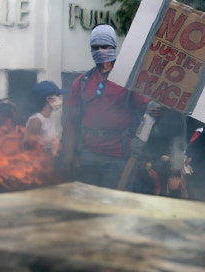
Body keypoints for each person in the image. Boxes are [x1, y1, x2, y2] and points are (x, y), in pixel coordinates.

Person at [63, 24, 163, 190]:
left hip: (119, 158)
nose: (100, 51)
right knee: (87, 207)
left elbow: (148, 111)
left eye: (105, 46)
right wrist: (69, 153)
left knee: (113, 208)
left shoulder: (130, 80)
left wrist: (157, 111)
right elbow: (71, 121)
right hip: (88, 155)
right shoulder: (81, 82)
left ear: (114, 47)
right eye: (96, 47)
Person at [26, 81, 66, 157]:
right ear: (49, 99)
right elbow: (29, 146)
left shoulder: (49, 118)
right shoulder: (36, 120)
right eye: (56, 95)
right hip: (38, 164)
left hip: (48, 164)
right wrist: (44, 142)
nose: (59, 98)